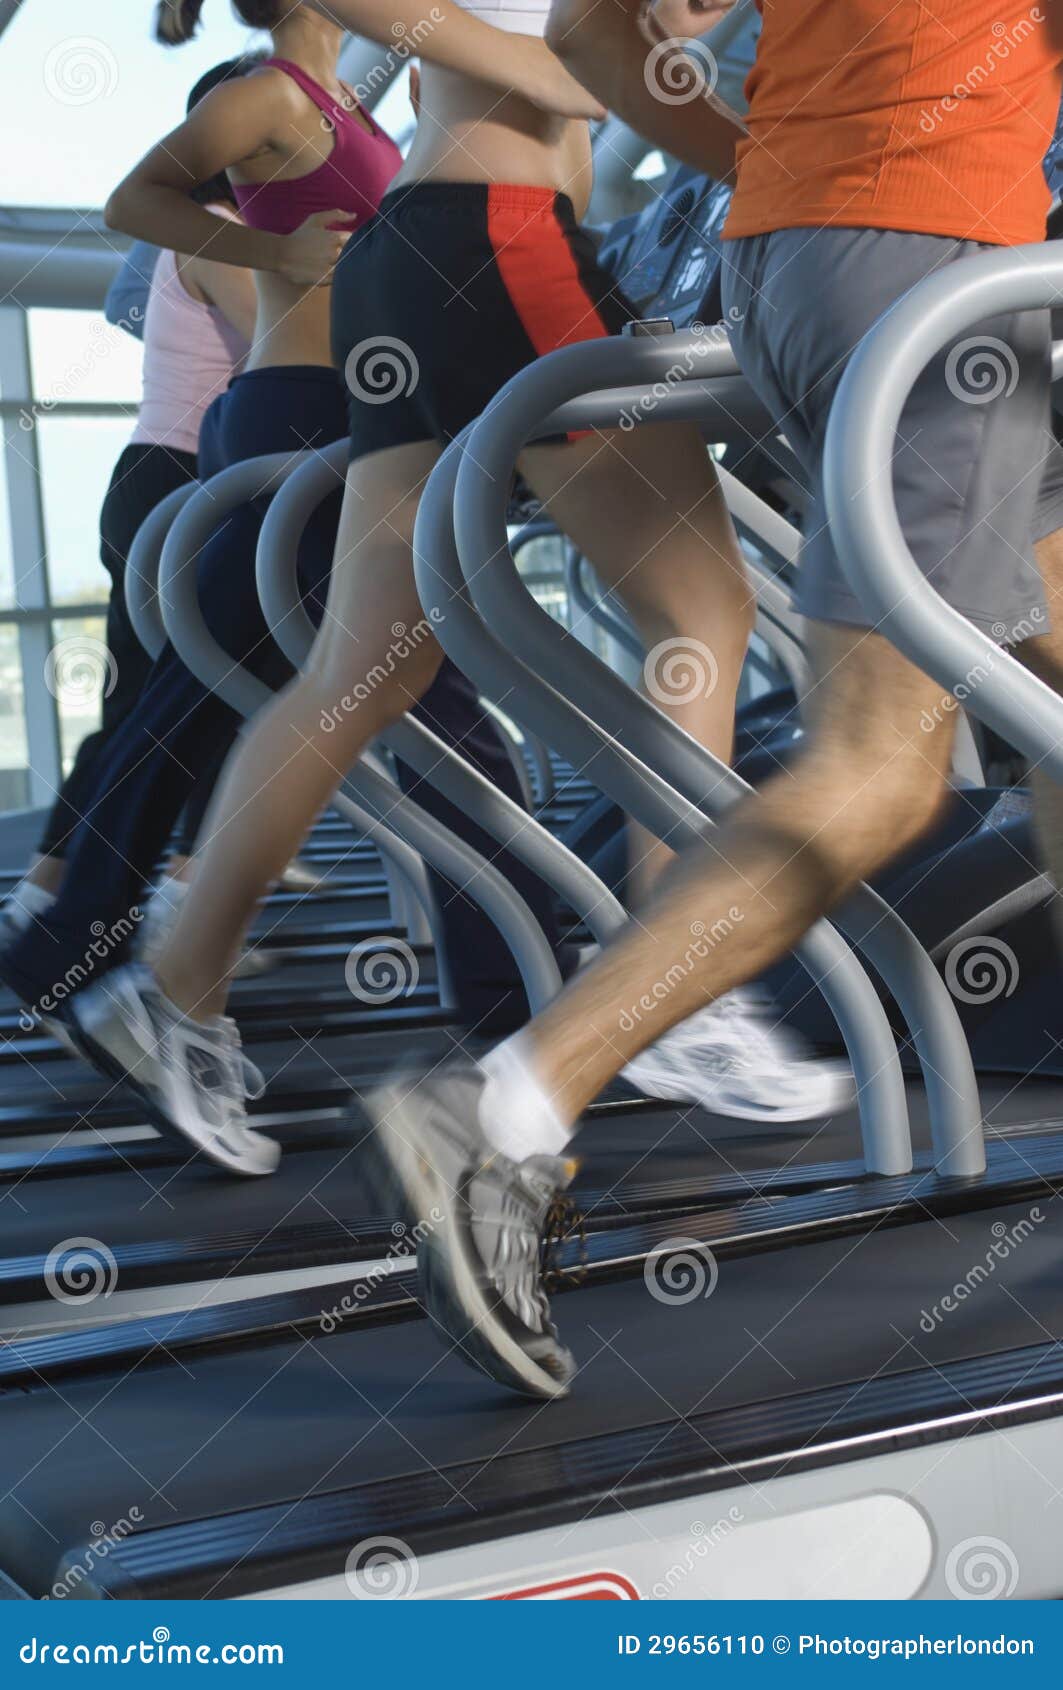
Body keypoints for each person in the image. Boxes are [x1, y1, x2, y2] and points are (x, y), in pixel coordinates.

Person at [336, 0, 1063, 1401]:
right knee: (881, 763)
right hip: (937, 260)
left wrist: (775, 161)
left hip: (796, 261)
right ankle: (499, 1108)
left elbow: (595, 35)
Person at [41, 0, 852, 1176]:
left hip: (406, 263)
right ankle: (671, 992)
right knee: (703, 612)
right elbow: (575, 57)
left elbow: (588, 47)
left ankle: (172, 990)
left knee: (363, 661)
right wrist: (596, 87)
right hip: (502, 239)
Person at [0, 57, 256, 939]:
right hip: (185, 483)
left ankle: (48, 888)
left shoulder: (207, 228)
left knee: (151, 700)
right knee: (212, 695)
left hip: (161, 479)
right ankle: (178, 896)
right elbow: (288, 345)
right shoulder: (222, 232)